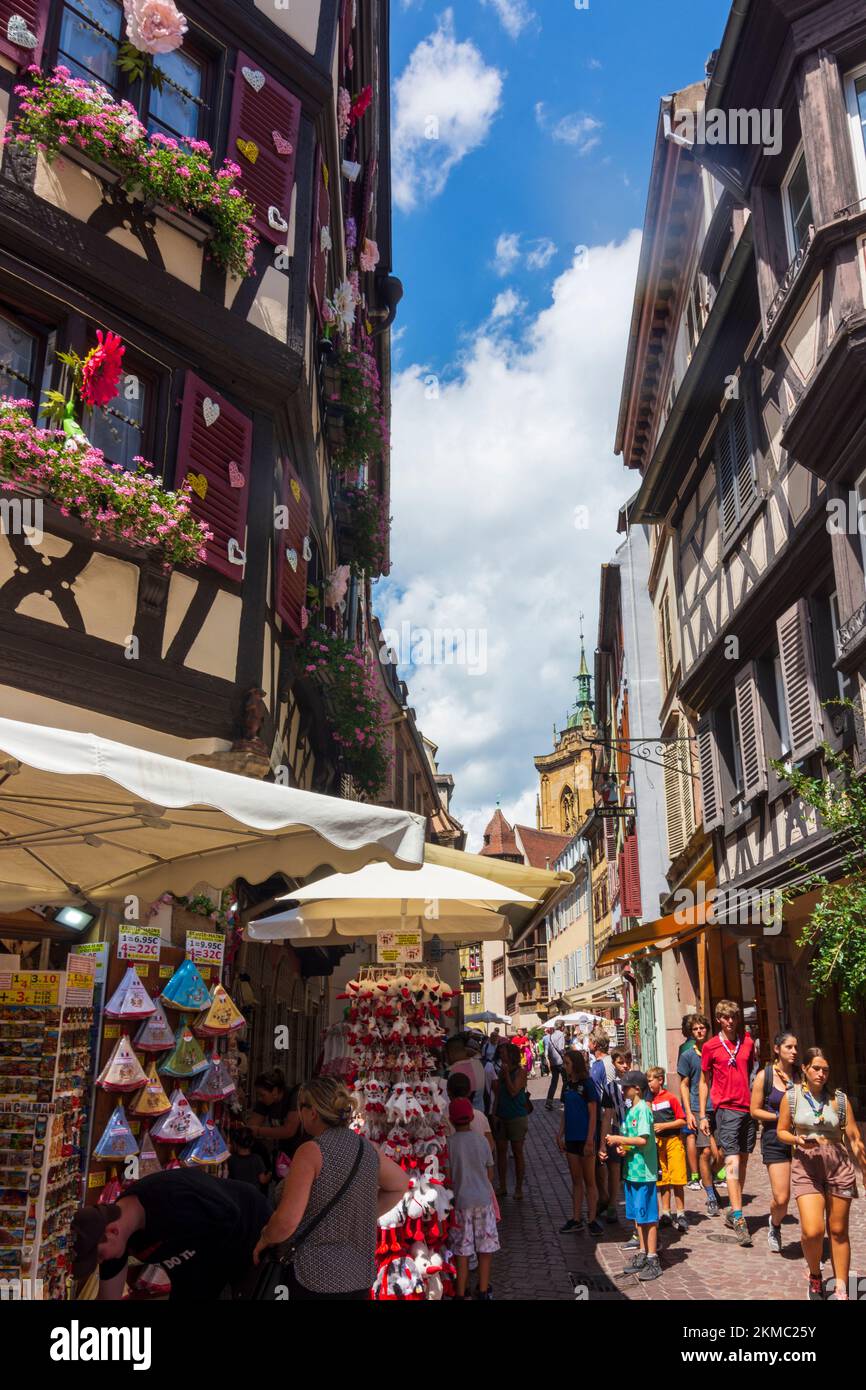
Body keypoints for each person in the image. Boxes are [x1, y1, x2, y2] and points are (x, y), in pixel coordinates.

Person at [253, 1076, 408, 1299]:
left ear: (313, 1112)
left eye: (301, 1107)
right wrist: (359, 1215)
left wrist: (266, 1238)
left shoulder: (311, 1151)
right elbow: (399, 1184)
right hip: (358, 1276)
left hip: (314, 1276)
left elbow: (286, 1221)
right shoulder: (367, 1148)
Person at [71, 1168, 272, 1300]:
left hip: (249, 1238)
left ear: (112, 1231)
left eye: (98, 1255)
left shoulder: (172, 1197)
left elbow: (231, 1214)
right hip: (197, 1271)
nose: (100, 1261)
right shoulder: (117, 1239)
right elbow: (108, 1298)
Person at [777, 1047, 866, 1301]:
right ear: (804, 1069)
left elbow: (854, 1137)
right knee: (812, 1231)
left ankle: (841, 1286)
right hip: (807, 1166)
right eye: (816, 1068)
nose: (821, 1073)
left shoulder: (839, 1099)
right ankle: (815, 1275)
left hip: (838, 1165)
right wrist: (797, 1139)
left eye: (825, 1069)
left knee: (838, 1230)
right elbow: (781, 1130)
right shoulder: (791, 1097)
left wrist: (864, 1164)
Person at [699, 999, 755, 1247]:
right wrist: (703, 1114)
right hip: (726, 1109)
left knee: (742, 1159)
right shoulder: (711, 1046)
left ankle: (734, 1209)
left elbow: (750, 1071)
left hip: (748, 1108)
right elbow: (704, 1081)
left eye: (734, 1017)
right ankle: (739, 1216)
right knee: (731, 1160)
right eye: (726, 1017)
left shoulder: (748, 1041)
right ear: (719, 1019)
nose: (731, 1021)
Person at [605, 1070, 661, 1281]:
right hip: (632, 1172)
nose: (621, 1089)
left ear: (637, 1089)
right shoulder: (630, 1111)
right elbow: (631, 1141)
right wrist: (623, 1148)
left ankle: (653, 1257)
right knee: (639, 1216)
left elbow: (643, 1140)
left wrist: (620, 1139)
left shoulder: (643, 1111)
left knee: (648, 1217)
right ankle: (643, 1252)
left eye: (625, 1086)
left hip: (644, 1173)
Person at [750, 1031, 800, 1253]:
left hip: (801, 1140)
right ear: (777, 1049)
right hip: (775, 1138)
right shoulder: (765, 1076)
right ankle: (775, 1223)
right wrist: (780, 1118)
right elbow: (754, 1110)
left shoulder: (801, 1075)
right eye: (789, 1047)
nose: (794, 1052)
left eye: (796, 1047)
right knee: (782, 1197)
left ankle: (812, 1238)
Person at [447, 1096, 500, 1299]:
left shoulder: (450, 1144)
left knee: (462, 1250)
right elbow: (490, 1173)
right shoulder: (482, 1141)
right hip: (483, 1201)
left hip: (461, 1203)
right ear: (471, 1118)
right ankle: (484, 1289)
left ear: (451, 1120)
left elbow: (448, 1176)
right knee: (485, 1248)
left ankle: (461, 1292)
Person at [678, 1013, 723, 1217]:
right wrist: (688, 1112)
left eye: (702, 1028)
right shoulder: (687, 1055)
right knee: (705, 1152)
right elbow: (684, 1084)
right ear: (691, 1032)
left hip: (721, 1105)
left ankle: (713, 1180)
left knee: (723, 1154)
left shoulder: (717, 1050)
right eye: (695, 1029)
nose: (699, 1031)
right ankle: (711, 1195)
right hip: (698, 1106)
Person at [557, 1050, 602, 1235]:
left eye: (567, 1063)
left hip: (585, 1137)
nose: (564, 1066)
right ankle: (576, 1218)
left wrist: (590, 1139)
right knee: (576, 1180)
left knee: (589, 1180)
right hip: (571, 1138)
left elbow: (593, 1113)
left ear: (574, 1064)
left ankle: (592, 1218)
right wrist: (559, 1134)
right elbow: (565, 1111)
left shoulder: (587, 1084)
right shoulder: (567, 1086)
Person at [647, 1066, 688, 1232]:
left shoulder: (670, 1098)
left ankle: (681, 1213)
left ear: (660, 1080)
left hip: (673, 1141)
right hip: (658, 1144)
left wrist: (664, 1126)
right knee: (663, 1179)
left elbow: (682, 1120)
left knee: (677, 1178)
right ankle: (665, 1212)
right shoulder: (648, 1100)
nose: (648, 1084)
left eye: (650, 1080)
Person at [246, 1067, 303, 1180]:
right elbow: (250, 1128)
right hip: (282, 1156)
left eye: (262, 1095)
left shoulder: (293, 1097)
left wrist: (258, 1131)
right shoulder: (265, 1102)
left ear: (275, 1091)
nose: (260, 1098)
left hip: (299, 1154)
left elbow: (289, 1131)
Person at [589, 1031, 621, 1225]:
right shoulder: (613, 1061)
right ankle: (611, 1203)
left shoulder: (599, 1065)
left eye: (590, 1041)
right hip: (617, 1115)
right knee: (613, 1164)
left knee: (603, 1161)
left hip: (605, 1116)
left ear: (594, 1044)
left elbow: (596, 1093)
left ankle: (606, 1200)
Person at [493, 1040, 529, 1199]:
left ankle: (519, 1188)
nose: (501, 1054)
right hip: (502, 1115)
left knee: (517, 1151)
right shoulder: (502, 1071)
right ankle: (502, 1185)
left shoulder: (520, 1072)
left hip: (516, 1116)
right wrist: (494, 1113)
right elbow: (499, 1094)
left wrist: (506, 1075)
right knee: (501, 1152)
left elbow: (514, 1091)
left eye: (503, 1052)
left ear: (511, 1055)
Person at [445, 1071, 495, 1156]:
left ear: (448, 1092)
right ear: (469, 1092)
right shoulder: (480, 1116)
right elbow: (490, 1145)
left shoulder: (445, 1118)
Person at [446, 1035, 486, 1111]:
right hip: (480, 1112)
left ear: (450, 1054)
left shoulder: (451, 1071)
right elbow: (477, 1054)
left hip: (460, 1115)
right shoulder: (479, 1063)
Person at [228, 1126, 271, 1194]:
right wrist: (269, 1174)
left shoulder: (231, 1159)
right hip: (253, 1193)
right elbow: (263, 1180)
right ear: (252, 1143)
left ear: (235, 1143)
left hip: (237, 1192)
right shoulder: (257, 1159)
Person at [543, 1023, 566, 1110]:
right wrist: (565, 1056)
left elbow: (548, 1050)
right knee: (566, 1080)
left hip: (553, 1062)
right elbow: (561, 1048)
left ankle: (549, 1102)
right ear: (562, 1026)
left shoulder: (549, 1036)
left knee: (554, 1083)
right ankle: (564, 1100)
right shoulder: (561, 1035)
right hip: (560, 1061)